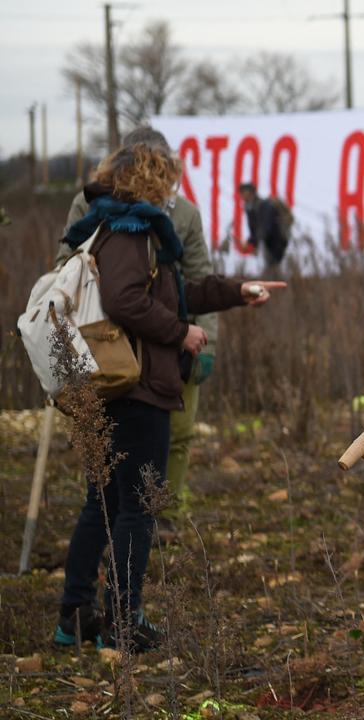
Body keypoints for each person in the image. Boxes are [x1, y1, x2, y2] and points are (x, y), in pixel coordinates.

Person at [54, 141, 285, 654]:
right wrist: (181, 334)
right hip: (135, 388)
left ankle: (76, 620)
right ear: (150, 180)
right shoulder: (132, 230)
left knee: (105, 505)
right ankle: (121, 621)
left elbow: (169, 292)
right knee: (136, 508)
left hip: (110, 385)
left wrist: (235, 292)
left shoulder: (111, 224)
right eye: (168, 179)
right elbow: (125, 299)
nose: (174, 190)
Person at [63, 127, 215, 514]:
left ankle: (161, 516)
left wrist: (206, 337)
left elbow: (198, 278)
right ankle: (107, 521)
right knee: (105, 441)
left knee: (176, 436)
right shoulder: (90, 204)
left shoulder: (184, 214)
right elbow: (65, 268)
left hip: (171, 344)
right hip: (104, 343)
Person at [238, 183, 291, 269]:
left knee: (275, 271)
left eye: (244, 193)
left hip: (277, 242)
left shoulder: (265, 206)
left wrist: (253, 242)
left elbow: (266, 229)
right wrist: (250, 242)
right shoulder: (249, 208)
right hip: (267, 244)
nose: (242, 196)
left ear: (251, 193)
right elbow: (254, 230)